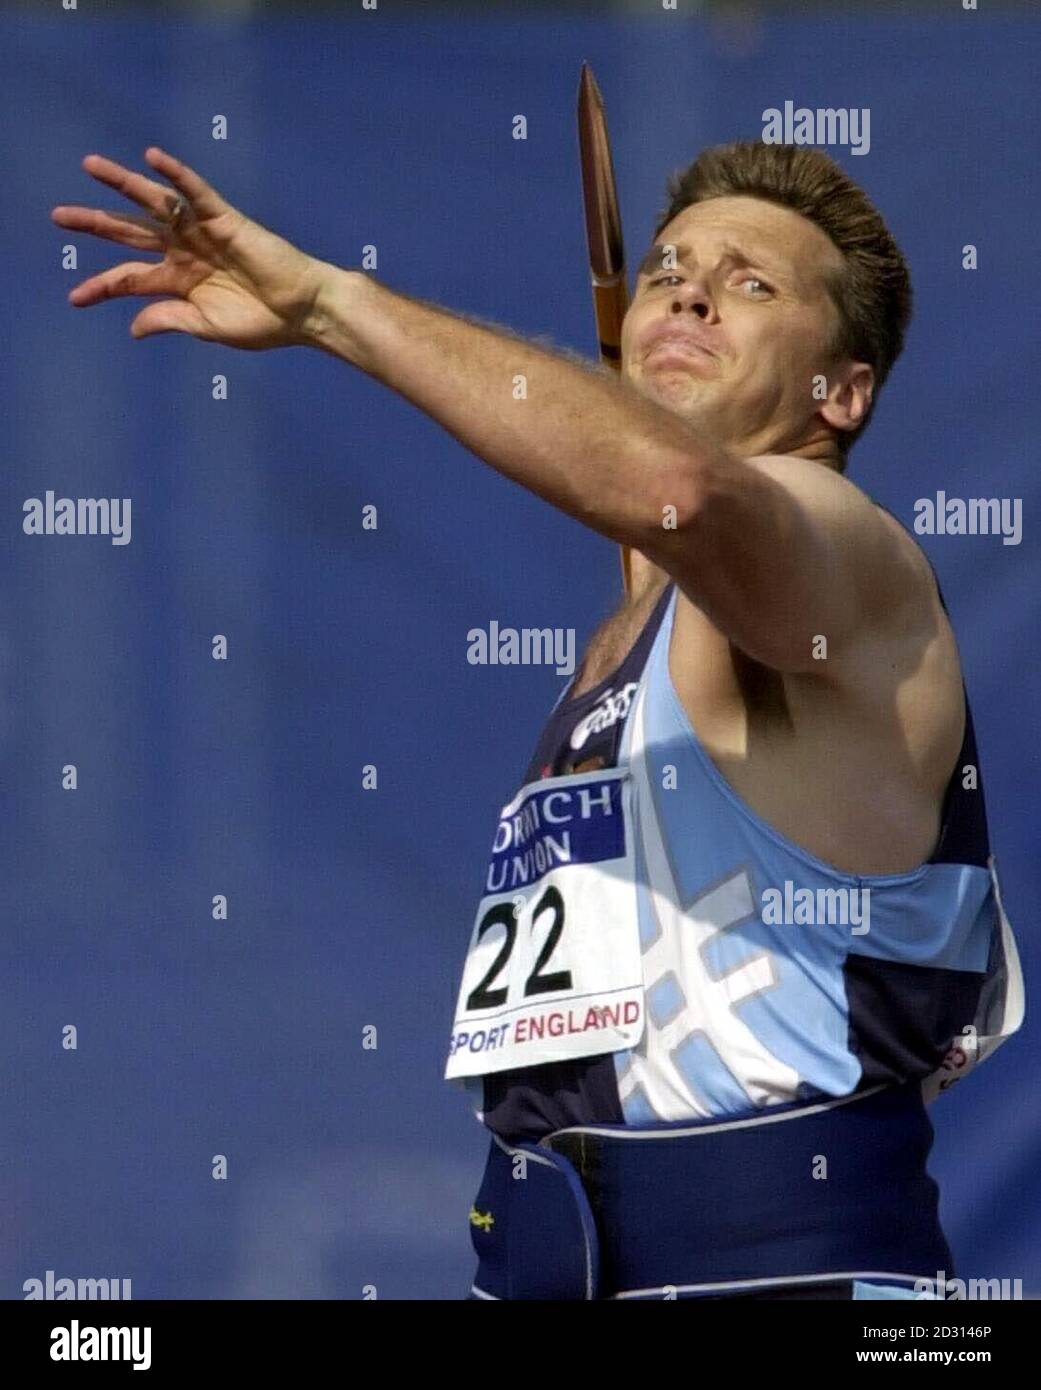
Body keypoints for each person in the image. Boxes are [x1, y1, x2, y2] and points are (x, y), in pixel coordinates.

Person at [52, 140, 1023, 1302]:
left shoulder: (846, 550)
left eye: (752, 283)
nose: (690, 290)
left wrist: (326, 301)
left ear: (841, 392)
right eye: (666, 268)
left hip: (794, 1272)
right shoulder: (622, 645)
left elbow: (684, 493)